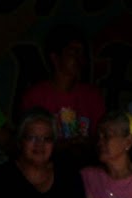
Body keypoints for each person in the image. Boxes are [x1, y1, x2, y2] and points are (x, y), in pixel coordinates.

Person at [19, 26, 105, 164]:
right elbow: (28, 144)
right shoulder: (35, 96)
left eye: (82, 54)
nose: (80, 59)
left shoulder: (92, 95)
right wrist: (65, 145)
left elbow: (103, 139)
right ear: (55, 58)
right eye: (74, 53)